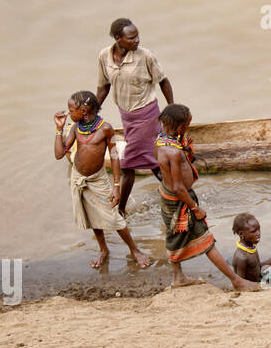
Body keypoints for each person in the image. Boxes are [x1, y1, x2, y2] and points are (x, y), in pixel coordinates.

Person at [155, 103, 257, 291]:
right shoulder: (173, 152)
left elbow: (172, 172)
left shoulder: (162, 142)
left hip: (169, 196)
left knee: (173, 237)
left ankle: (178, 277)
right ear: (181, 127)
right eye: (187, 125)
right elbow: (178, 186)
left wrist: (187, 149)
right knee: (207, 242)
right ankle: (237, 281)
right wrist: (195, 207)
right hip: (180, 200)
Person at [52, 91, 153, 269]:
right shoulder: (75, 128)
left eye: (71, 110)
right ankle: (103, 249)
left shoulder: (105, 128)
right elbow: (60, 154)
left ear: (84, 111)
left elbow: (114, 156)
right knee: (92, 216)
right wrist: (59, 129)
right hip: (79, 178)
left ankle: (134, 249)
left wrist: (116, 186)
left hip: (98, 179)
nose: (68, 114)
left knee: (113, 217)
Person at [96, 18, 173, 215]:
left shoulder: (145, 56)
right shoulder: (104, 56)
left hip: (147, 113)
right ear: (117, 38)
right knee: (154, 162)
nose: (137, 40)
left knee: (128, 164)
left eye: (137, 36)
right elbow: (104, 85)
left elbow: (163, 81)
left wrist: (171, 108)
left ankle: (120, 211)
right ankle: (176, 194)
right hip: (126, 116)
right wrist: (94, 110)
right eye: (131, 38)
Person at [229, 213, 271, 284]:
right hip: (254, 285)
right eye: (253, 231)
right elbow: (239, 283)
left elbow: (257, 268)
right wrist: (258, 287)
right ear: (241, 234)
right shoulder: (241, 257)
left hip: (260, 278)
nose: (258, 233)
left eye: (258, 229)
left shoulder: (251, 247)